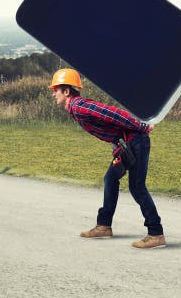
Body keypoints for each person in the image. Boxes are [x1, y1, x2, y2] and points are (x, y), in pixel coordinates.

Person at [49, 68, 166, 249]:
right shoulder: (75, 108)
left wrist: (142, 126)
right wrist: (118, 146)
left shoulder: (79, 106)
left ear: (66, 91)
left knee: (137, 187)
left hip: (136, 140)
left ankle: (156, 233)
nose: (53, 93)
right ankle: (104, 226)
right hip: (126, 144)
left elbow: (112, 114)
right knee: (110, 179)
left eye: (55, 89)